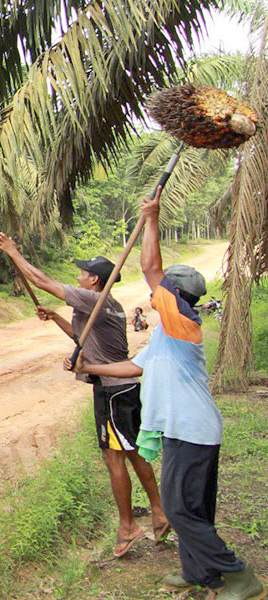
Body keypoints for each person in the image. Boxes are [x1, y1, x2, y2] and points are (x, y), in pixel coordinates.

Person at [70, 194, 265, 599]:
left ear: (173, 295)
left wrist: (152, 218)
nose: (155, 292)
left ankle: (239, 577)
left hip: (193, 430)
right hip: (183, 429)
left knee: (178, 510)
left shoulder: (182, 324)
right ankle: (200, 573)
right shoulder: (165, 334)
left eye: (164, 289)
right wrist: (90, 368)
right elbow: (135, 367)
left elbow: (149, 267)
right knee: (192, 508)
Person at [0, 233, 168, 558]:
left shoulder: (94, 299)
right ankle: (159, 513)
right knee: (133, 453)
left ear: (94, 281)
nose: (78, 276)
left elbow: (42, 281)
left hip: (112, 394)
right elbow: (82, 338)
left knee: (114, 458)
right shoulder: (106, 306)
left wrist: (13, 252)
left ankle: (128, 526)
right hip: (123, 392)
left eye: (83, 273)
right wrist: (58, 318)